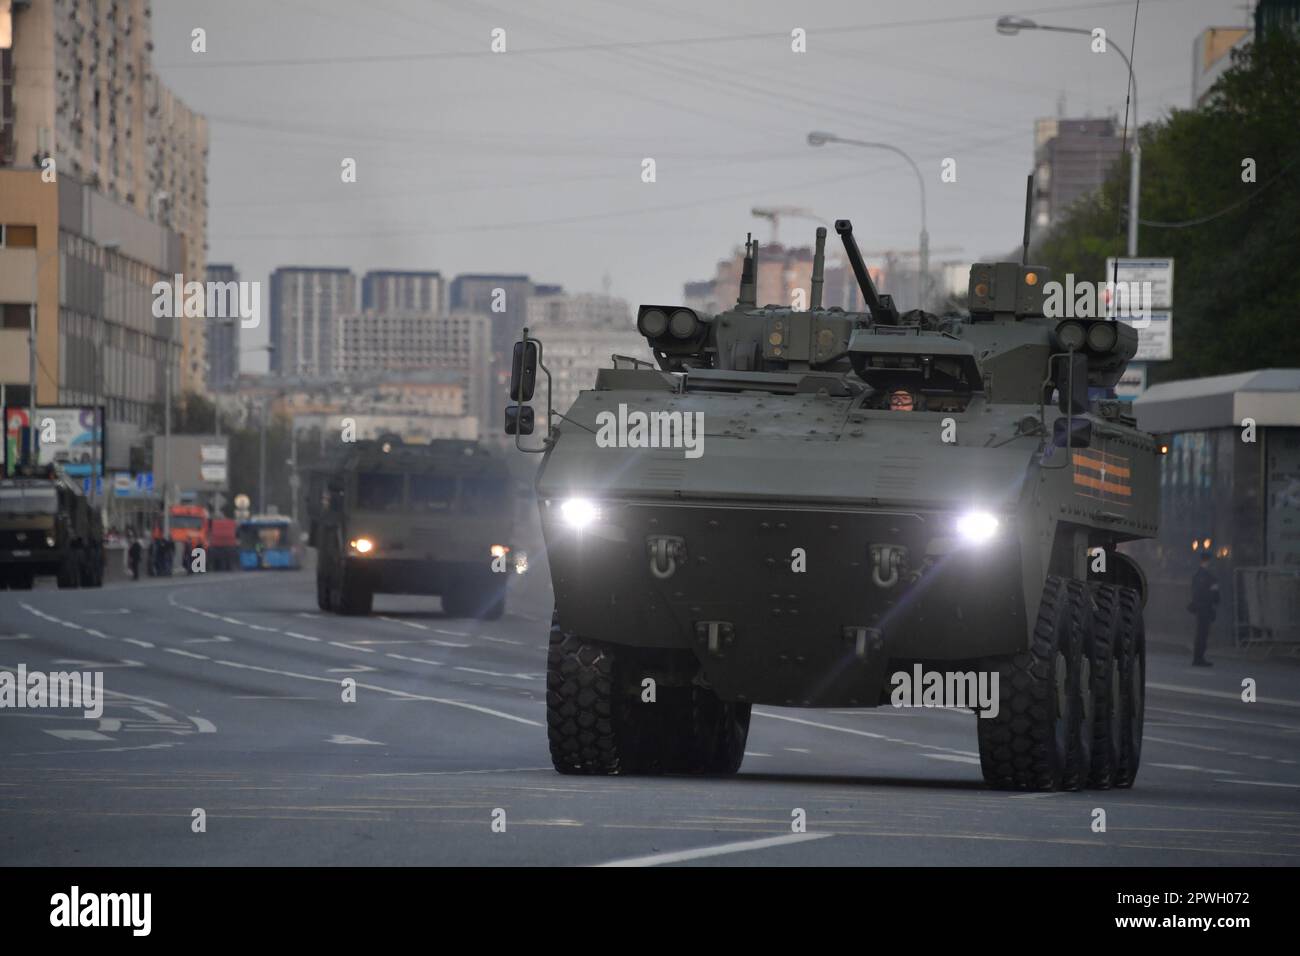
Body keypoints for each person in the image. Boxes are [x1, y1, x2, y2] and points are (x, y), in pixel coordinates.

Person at [1188, 554, 1220, 666]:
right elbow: (1213, 594)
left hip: (1201, 607)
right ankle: (1199, 658)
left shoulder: (1198, 575)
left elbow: (1195, 592)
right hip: (1205, 607)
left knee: (1201, 633)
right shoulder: (1208, 577)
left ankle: (1198, 657)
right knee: (1202, 634)